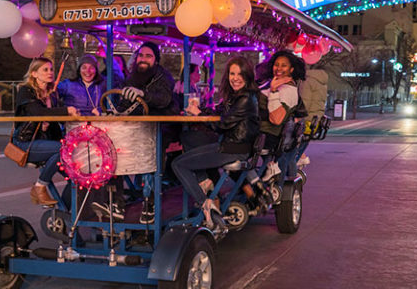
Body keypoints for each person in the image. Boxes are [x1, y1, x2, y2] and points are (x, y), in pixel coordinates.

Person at [170, 56, 260, 230]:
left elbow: (221, 125)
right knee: (188, 137)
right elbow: (219, 112)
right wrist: (200, 110)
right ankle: (205, 182)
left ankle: (206, 204)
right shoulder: (238, 96)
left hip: (232, 148)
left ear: (248, 75)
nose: (235, 78)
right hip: (233, 145)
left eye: (240, 74)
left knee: (178, 164)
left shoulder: (246, 99)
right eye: (232, 73)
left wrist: (197, 114)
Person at [93, 41, 177, 223]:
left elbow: (164, 99)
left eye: (148, 56)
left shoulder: (163, 77)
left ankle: (150, 200)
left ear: (155, 60)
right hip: (134, 127)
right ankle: (116, 201)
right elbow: (124, 103)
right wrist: (115, 113)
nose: (143, 59)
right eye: (141, 55)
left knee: (149, 149)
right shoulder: (132, 77)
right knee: (109, 148)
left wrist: (143, 94)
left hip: (159, 127)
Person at [13, 57, 78, 206]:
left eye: (51, 69)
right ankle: (39, 187)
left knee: (77, 177)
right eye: (45, 70)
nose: (50, 73)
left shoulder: (52, 93)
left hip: (48, 142)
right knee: (62, 149)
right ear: (34, 73)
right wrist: (65, 110)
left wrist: (73, 116)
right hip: (26, 142)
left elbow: (57, 118)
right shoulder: (26, 91)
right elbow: (37, 112)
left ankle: (66, 211)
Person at [258, 50, 306, 180]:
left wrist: (273, 91)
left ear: (291, 69)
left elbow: (276, 119)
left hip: (266, 135)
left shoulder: (287, 90)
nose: (278, 68)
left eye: (283, 65)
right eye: (276, 64)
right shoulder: (279, 84)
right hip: (264, 133)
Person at [297, 63, 328, 166]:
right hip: (315, 120)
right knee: (301, 146)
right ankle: (300, 158)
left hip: (306, 120)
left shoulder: (307, 81)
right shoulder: (321, 81)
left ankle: (297, 163)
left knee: (292, 148)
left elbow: (305, 103)